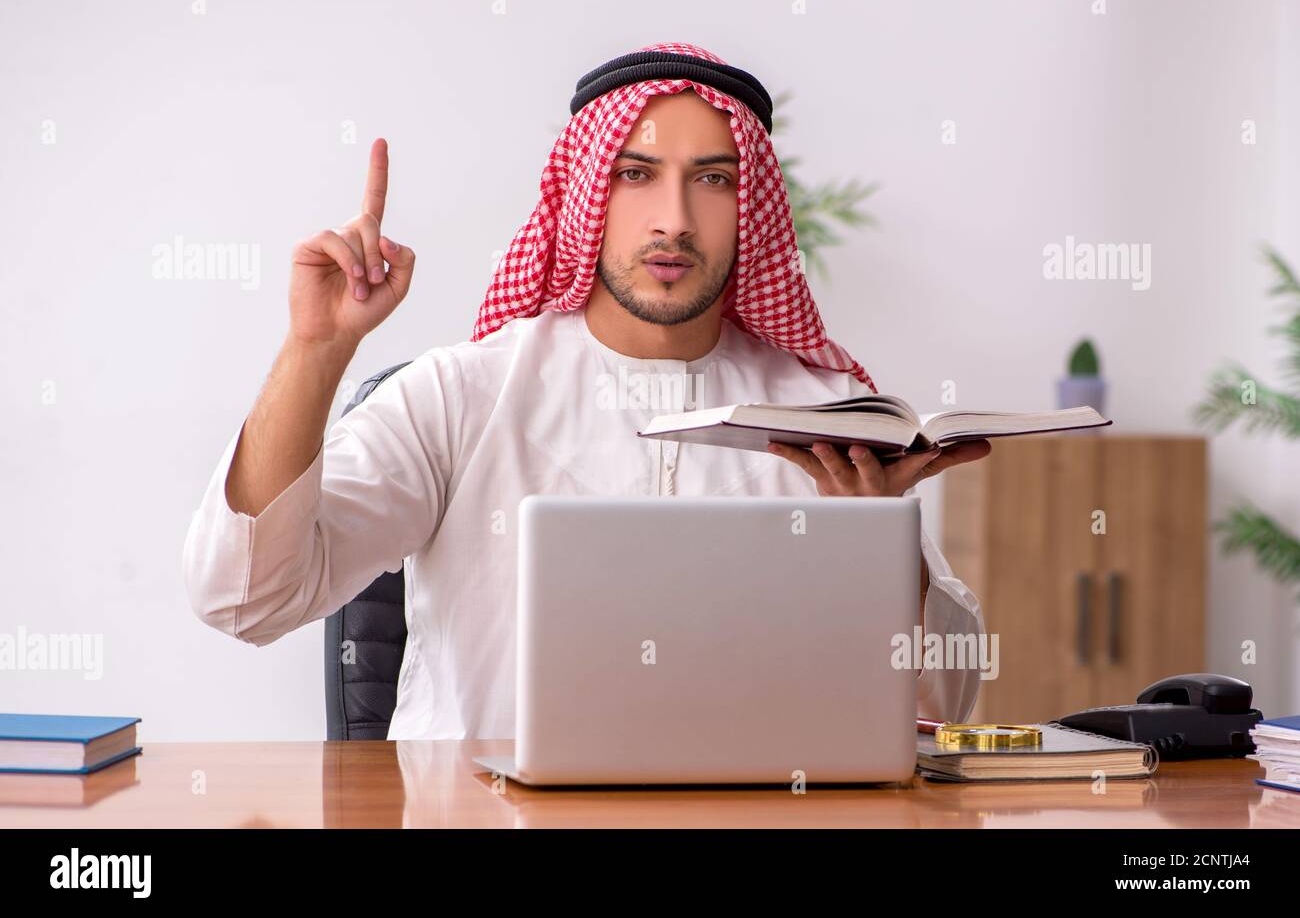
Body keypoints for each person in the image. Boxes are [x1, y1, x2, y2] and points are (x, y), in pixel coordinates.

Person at [182, 42, 992, 739]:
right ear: (586, 194)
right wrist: (316, 349)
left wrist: (879, 553)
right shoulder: (464, 395)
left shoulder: (831, 416)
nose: (672, 219)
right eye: (637, 174)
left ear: (751, 208)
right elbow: (243, 597)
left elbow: (948, 702)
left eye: (711, 180)